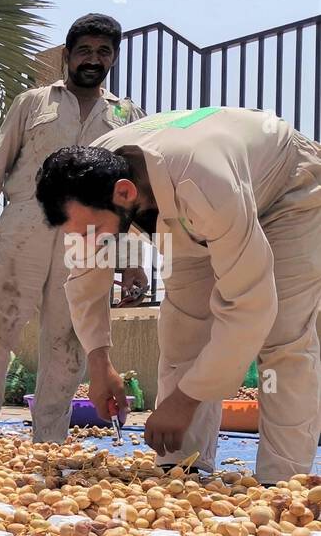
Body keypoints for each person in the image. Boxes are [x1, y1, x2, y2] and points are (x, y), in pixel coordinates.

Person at [35, 106, 321, 484]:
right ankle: (181, 467)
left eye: (92, 231)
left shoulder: (206, 185)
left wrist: (185, 400)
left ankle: (281, 484)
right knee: (183, 328)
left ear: (124, 193)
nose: (89, 242)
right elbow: (86, 278)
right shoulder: (93, 174)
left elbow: (250, 306)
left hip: (286, 189)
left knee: (284, 335)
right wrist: (100, 364)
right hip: (187, 208)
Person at [0, 13, 146, 441]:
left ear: (113, 57)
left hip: (88, 238)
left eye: (103, 52)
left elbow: (130, 192)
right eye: (84, 51)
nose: (93, 60)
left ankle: (49, 440)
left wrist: (132, 259)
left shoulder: (125, 113)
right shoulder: (32, 103)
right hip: (24, 226)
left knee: (68, 344)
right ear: (67, 55)